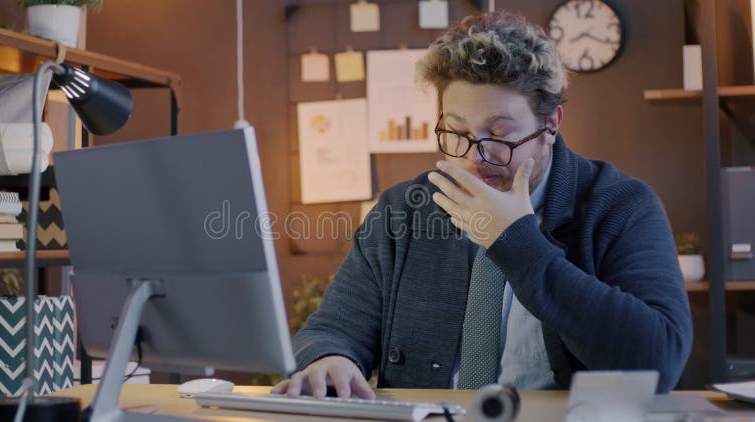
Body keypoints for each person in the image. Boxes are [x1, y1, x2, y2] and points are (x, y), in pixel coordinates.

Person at [272, 11, 692, 399]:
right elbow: (330, 331)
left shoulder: (620, 205)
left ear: (551, 125)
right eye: (456, 132)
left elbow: (658, 362)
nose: (475, 157)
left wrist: (517, 242)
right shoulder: (403, 211)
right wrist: (330, 358)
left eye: (500, 134)